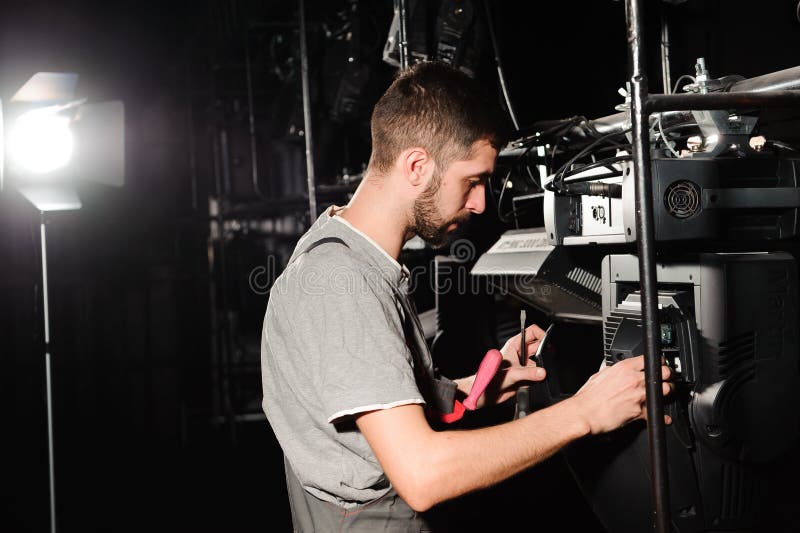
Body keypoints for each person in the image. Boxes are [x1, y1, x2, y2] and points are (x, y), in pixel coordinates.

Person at [260, 60, 673, 532]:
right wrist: (585, 412)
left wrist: (469, 388)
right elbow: (422, 473)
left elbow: (364, 403)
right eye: (472, 180)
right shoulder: (342, 283)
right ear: (416, 166)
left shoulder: (337, 249)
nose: (479, 202)